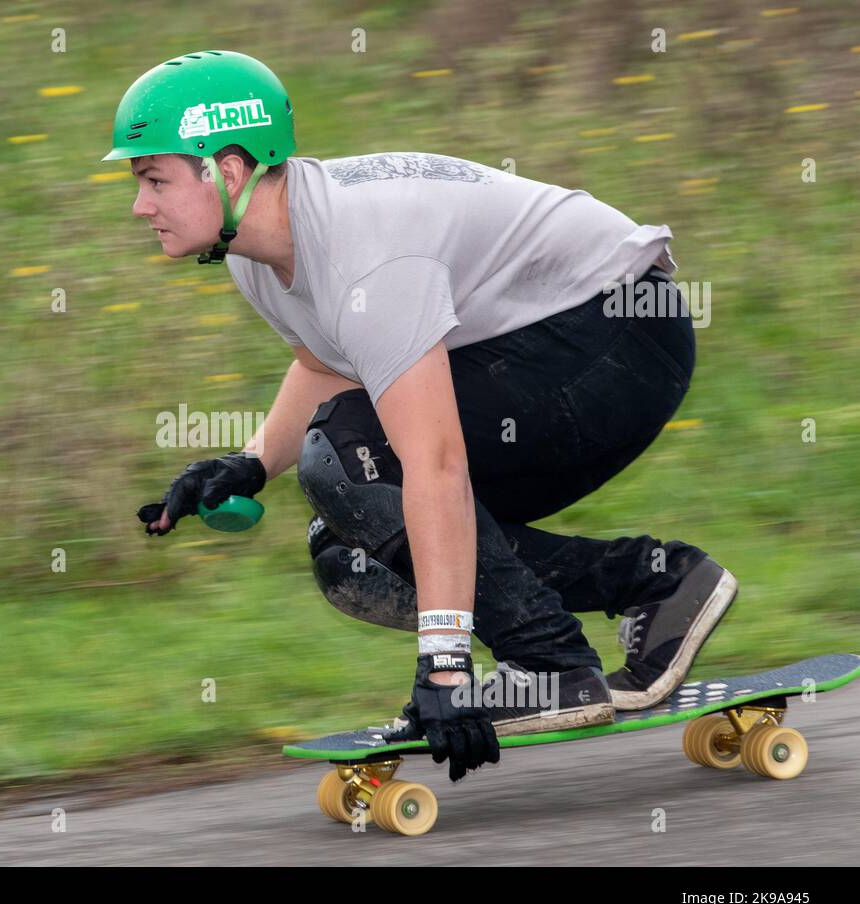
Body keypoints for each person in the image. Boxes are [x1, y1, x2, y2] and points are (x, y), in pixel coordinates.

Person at [103, 50, 738, 782]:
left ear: (230, 171)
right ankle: (653, 581)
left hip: (623, 337)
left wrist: (444, 668)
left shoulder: (365, 254)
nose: (139, 205)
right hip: (559, 346)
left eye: (154, 180)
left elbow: (433, 462)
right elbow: (328, 361)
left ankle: (549, 663)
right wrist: (250, 463)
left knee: (353, 462)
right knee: (349, 548)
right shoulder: (258, 250)